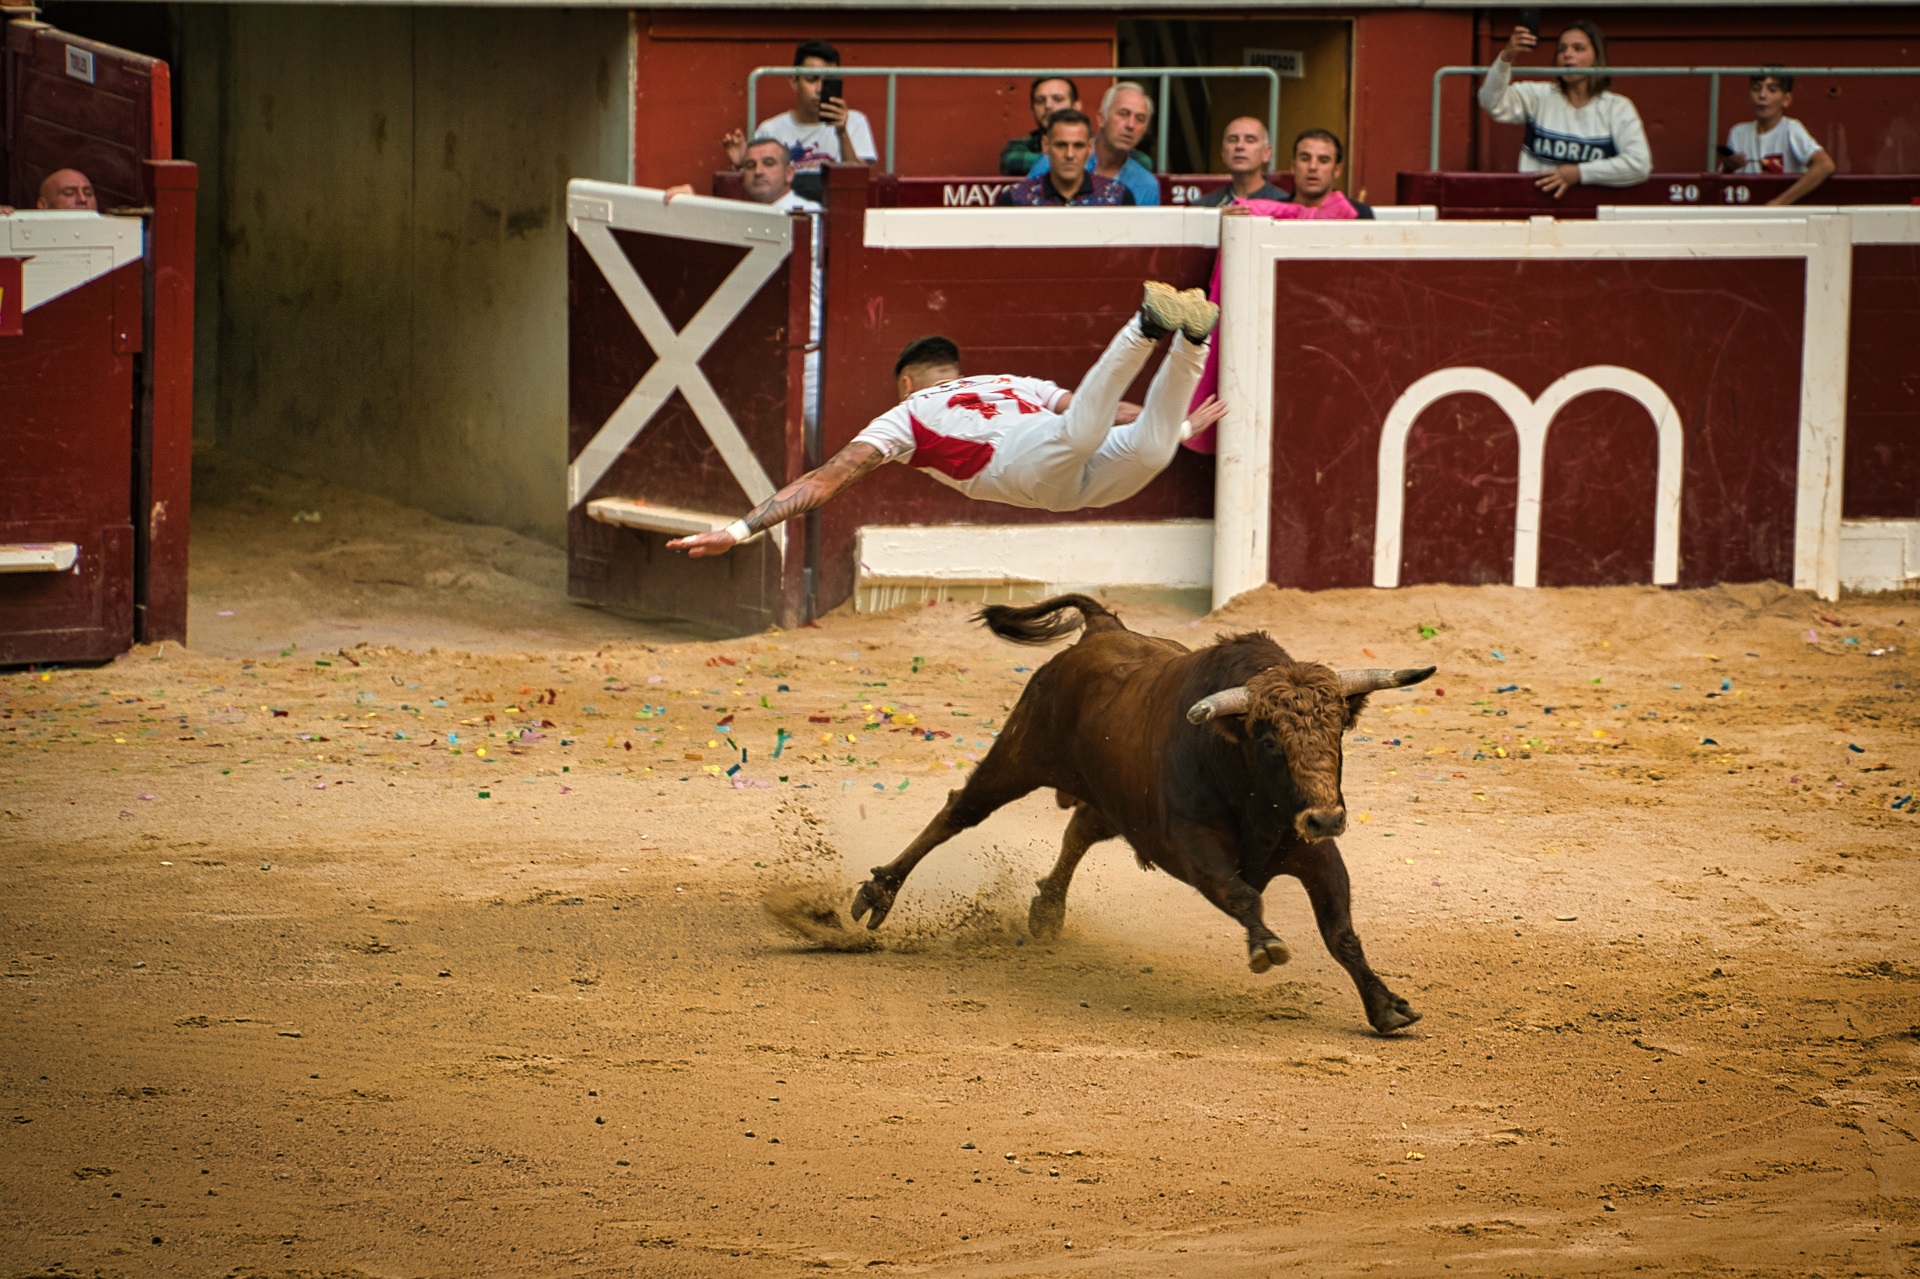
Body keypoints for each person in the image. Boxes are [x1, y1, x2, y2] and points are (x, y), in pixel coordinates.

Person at [665, 282, 1228, 557]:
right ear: (956, 369)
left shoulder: (904, 415)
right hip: (1054, 457)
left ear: (905, 382)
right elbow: (1102, 410)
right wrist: (1175, 425)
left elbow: (824, 480)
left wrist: (738, 531)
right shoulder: (1009, 381)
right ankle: (1192, 341)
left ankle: (1148, 327)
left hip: (1026, 471)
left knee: (1101, 437)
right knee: (1151, 445)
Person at [1478, 19, 1651, 196]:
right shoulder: (1537, 96)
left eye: (1578, 48)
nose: (1567, 54)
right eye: (1562, 49)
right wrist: (1506, 57)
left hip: (1592, 207)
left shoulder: (1617, 107)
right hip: (1535, 203)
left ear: (1597, 58)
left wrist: (1578, 173)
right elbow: (1491, 102)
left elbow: (1639, 164)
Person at [728, 40, 878, 172]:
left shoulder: (854, 122)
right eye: (812, 79)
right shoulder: (770, 130)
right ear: (794, 81)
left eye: (829, 81)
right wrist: (742, 165)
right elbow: (759, 184)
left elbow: (858, 181)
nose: (819, 89)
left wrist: (842, 133)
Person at [1027, 81, 1160, 206]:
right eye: (1123, 114)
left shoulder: (1147, 184)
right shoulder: (1054, 161)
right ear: (1101, 118)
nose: (1131, 125)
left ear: (1145, 129)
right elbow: (1026, 208)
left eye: (1140, 119)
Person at [1719, 66, 1835, 206]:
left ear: (1786, 99)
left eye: (1772, 90)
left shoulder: (1791, 129)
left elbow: (1825, 165)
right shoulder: (1738, 132)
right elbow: (1724, 184)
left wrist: (1778, 203)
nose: (1762, 95)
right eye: (1756, 89)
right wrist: (1729, 168)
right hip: (1747, 209)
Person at [996, 110, 1134, 207]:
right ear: (1046, 145)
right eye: (1061, 145)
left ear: (1090, 148)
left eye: (1078, 146)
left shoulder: (1118, 197)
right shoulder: (1016, 199)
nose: (1069, 154)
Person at [665, 136, 820, 212]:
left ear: (789, 173)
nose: (758, 172)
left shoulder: (811, 213)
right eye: (750, 165)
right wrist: (690, 205)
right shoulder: (741, 213)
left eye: (768, 163)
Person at [1284, 129, 1375, 218]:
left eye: (1323, 160)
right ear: (1293, 167)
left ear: (1337, 170)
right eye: (1305, 159)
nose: (1312, 167)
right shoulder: (1275, 213)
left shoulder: (1359, 214)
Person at [1000, 77, 1081, 177]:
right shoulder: (1019, 147)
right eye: (1040, 100)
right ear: (1032, 109)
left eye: (1058, 99)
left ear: (1076, 107)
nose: (1048, 106)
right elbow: (1010, 162)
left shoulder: (1094, 145)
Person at [1196, 117, 1284, 206]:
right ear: (1223, 153)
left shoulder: (1282, 204)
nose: (1239, 146)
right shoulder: (1205, 206)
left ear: (1266, 153)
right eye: (1233, 140)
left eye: (1250, 140)